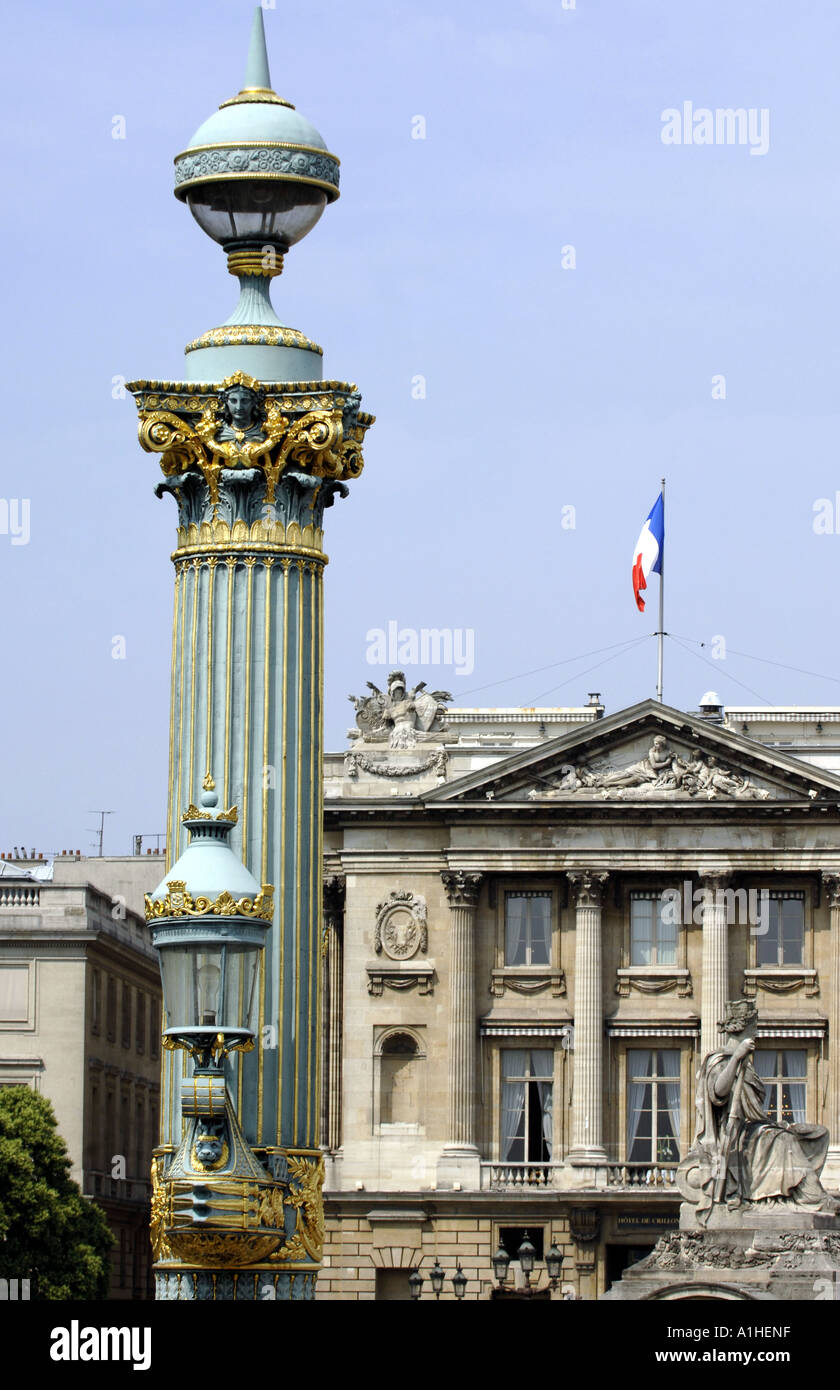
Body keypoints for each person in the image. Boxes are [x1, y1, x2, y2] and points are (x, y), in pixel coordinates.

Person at [677, 1000, 836, 1220]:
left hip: (756, 1126)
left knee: (815, 1133)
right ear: (744, 1027)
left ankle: (796, 1193)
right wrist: (737, 1058)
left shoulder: (747, 1064)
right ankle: (812, 1197)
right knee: (782, 1140)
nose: (757, 1031)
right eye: (754, 1026)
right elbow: (718, 1092)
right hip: (734, 1134)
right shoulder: (719, 1060)